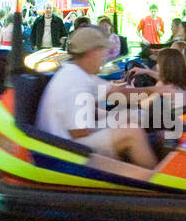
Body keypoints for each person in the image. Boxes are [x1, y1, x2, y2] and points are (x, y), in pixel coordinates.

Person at [36, 27, 155, 168]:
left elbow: (118, 94)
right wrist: (112, 125)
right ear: (92, 52)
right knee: (132, 133)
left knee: (134, 116)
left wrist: (157, 90)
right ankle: (160, 184)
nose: (105, 56)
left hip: (74, 139)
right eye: (103, 51)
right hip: (67, 152)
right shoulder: (74, 82)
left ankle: (142, 157)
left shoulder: (80, 73)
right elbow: (79, 132)